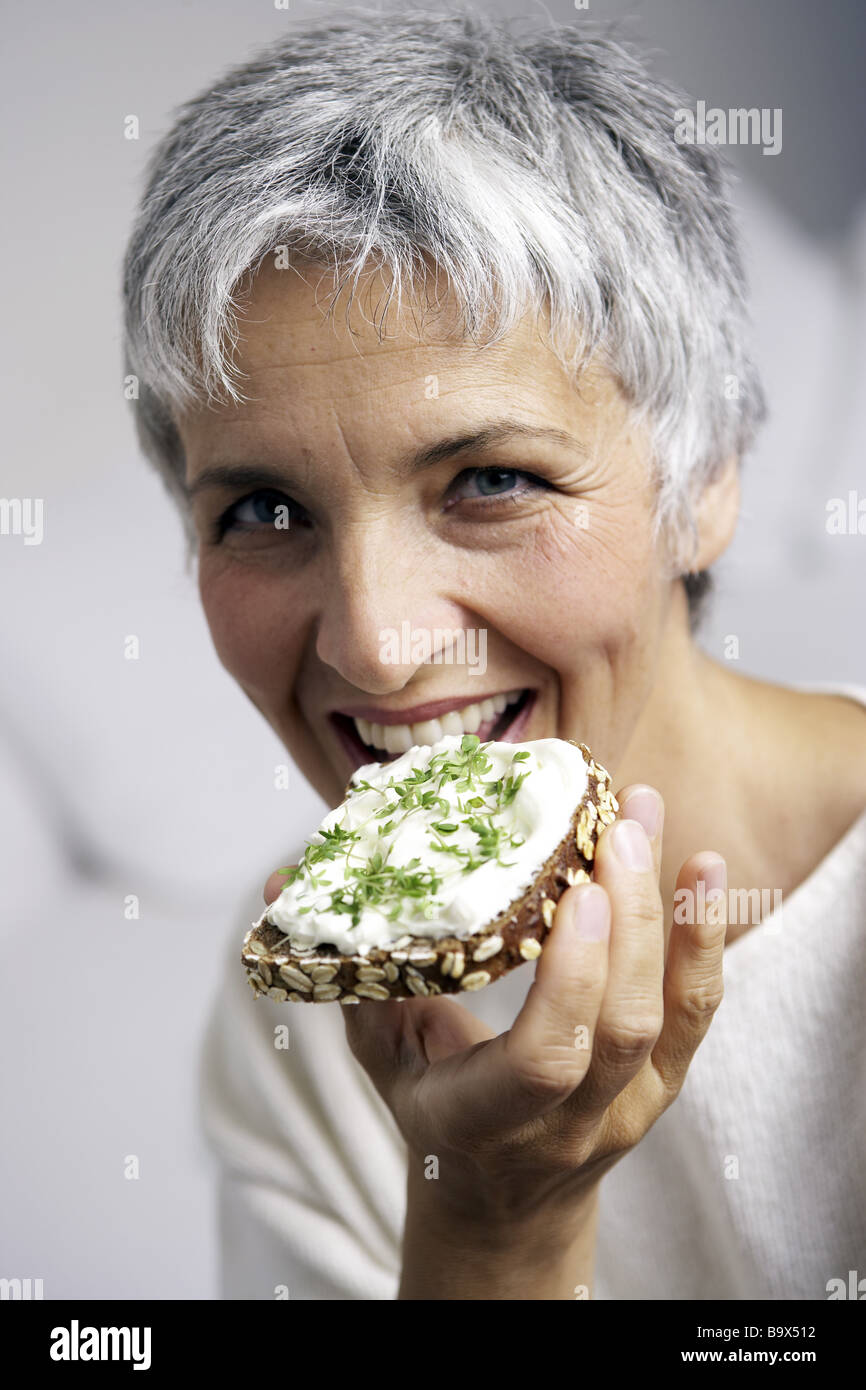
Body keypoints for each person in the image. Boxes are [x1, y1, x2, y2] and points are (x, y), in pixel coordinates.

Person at [122, 9, 866, 1298]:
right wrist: (489, 1227)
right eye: (263, 511)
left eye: (493, 479)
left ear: (705, 483)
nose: (375, 643)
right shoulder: (299, 1016)